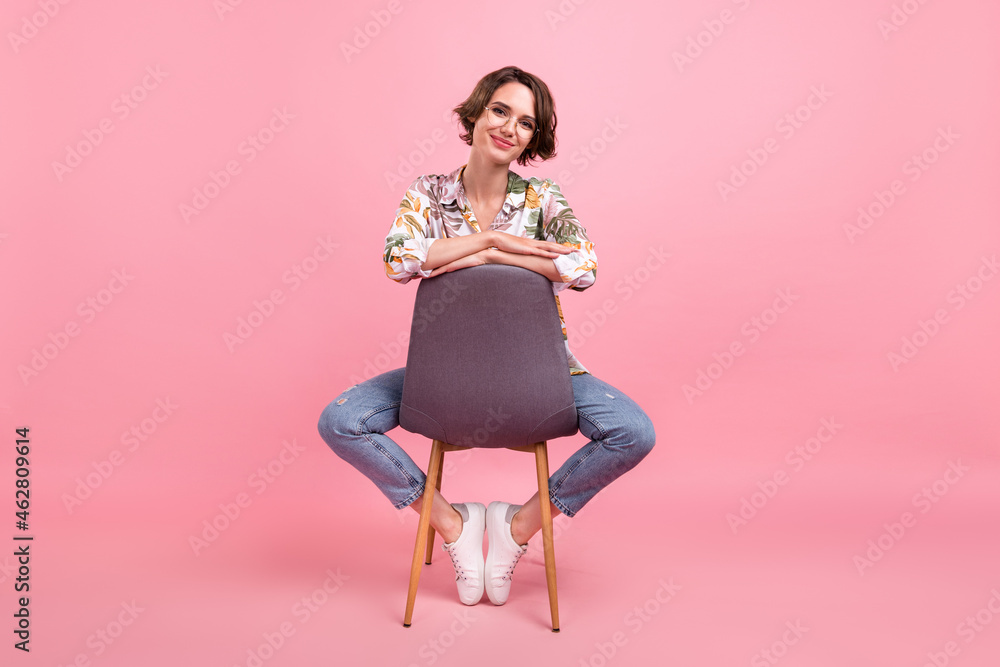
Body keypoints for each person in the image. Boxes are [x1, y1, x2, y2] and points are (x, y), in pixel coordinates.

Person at [318, 65, 655, 607]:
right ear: (475, 113)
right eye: (501, 111)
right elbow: (398, 257)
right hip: (441, 373)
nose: (509, 128)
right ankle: (450, 524)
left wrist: (481, 253)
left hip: (541, 372)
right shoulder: (428, 193)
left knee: (634, 432)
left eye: (526, 123)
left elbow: (584, 267)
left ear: (532, 138)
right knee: (341, 421)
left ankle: (513, 530)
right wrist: (496, 243)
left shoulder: (544, 197)